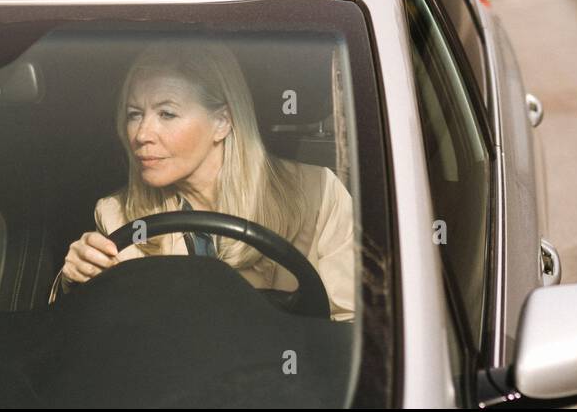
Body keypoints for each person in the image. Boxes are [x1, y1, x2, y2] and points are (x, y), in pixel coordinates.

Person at [49, 41, 356, 322]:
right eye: (134, 114)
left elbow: (349, 327)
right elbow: (96, 339)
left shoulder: (318, 195)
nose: (141, 134)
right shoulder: (116, 215)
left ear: (222, 122)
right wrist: (73, 281)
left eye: (166, 114)